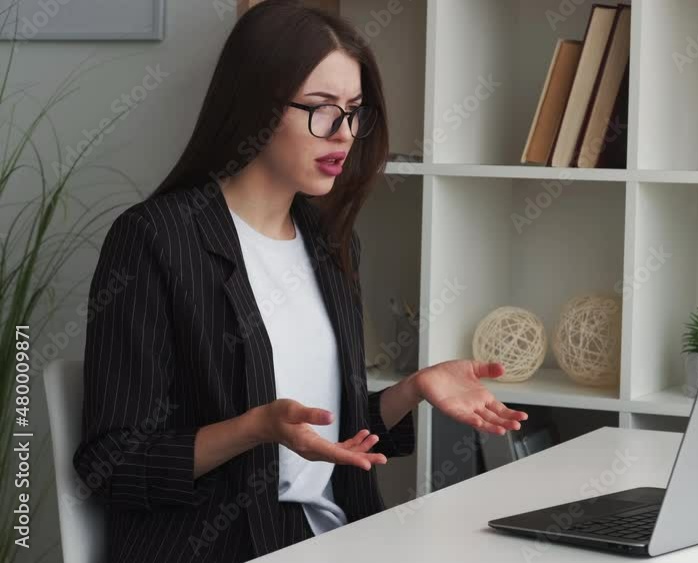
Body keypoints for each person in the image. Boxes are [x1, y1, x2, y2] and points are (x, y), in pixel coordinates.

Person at [73, 2, 527, 561]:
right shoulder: (157, 239)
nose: (343, 134)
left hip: (343, 536)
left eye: (355, 112)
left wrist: (413, 390)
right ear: (254, 106)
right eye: (319, 109)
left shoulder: (329, 242)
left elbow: (331, 440)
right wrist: (253, 428)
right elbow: (111, 465)